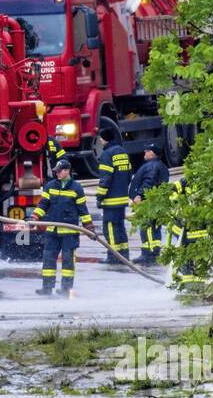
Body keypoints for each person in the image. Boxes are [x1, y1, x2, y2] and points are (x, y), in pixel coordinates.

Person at [31, 158, 93, 295]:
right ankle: (47, 288)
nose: (57, 174)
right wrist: (35, 217)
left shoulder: (76, 188)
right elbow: (43, 204)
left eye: (59, 171)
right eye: (56, 172)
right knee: (48, 259)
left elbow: (83, 210)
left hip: (69, 233)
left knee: (68, 262)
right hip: (52, 231)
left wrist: (89, 227)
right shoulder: (50, 186)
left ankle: (65, 289)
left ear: (67, 171)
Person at [95, 124, 133, 266]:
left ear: (104, 139)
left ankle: (113, 256)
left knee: (110, 228)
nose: (99, 141)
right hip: (122, 197)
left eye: (100, 138)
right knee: (120, 227)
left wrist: (100, 197)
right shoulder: (122, 152)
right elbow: (129, 174)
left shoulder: (107, 155)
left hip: (110, 200)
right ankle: (124, 254)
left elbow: (106, 178)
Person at [128, 143, 169, 265]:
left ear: (152, 153)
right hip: (156, 203)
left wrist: (139, 195)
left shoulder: (151, 167)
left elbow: (148, 182)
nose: (144, 153)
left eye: (147, 151)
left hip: (148, 203)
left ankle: (149, 254)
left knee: (147, 228)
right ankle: (153, 252)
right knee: (154, 228)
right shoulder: (161, 166)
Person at [169, 175, 207, 283]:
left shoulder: (211, 186)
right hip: (185, 230)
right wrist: (180, 210)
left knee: (199, 260)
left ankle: (198, 285)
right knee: (188, 259)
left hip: (200, 229)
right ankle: (189, 285)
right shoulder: (184, 182)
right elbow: (172, 192)